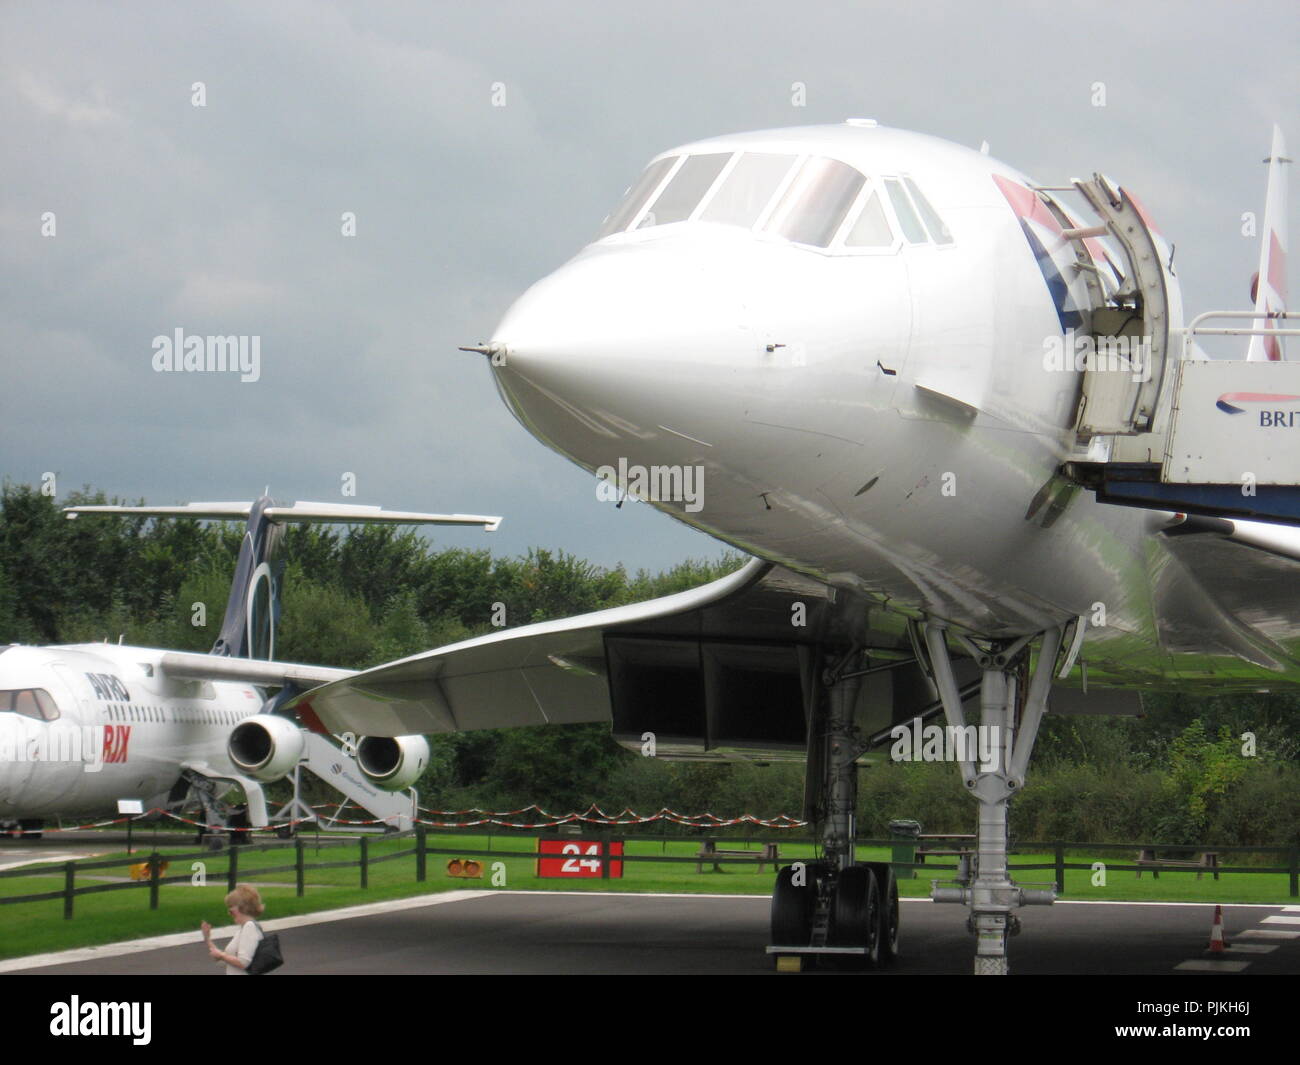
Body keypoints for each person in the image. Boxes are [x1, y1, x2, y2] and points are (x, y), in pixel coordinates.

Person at [201, 884, 264, 974]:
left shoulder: (250, 927)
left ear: (243, 908)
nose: (229, 914)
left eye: (231, 910)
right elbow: (224, 961)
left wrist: (221, 955)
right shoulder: (243, 929)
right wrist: (208, 939)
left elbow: (243, 962)